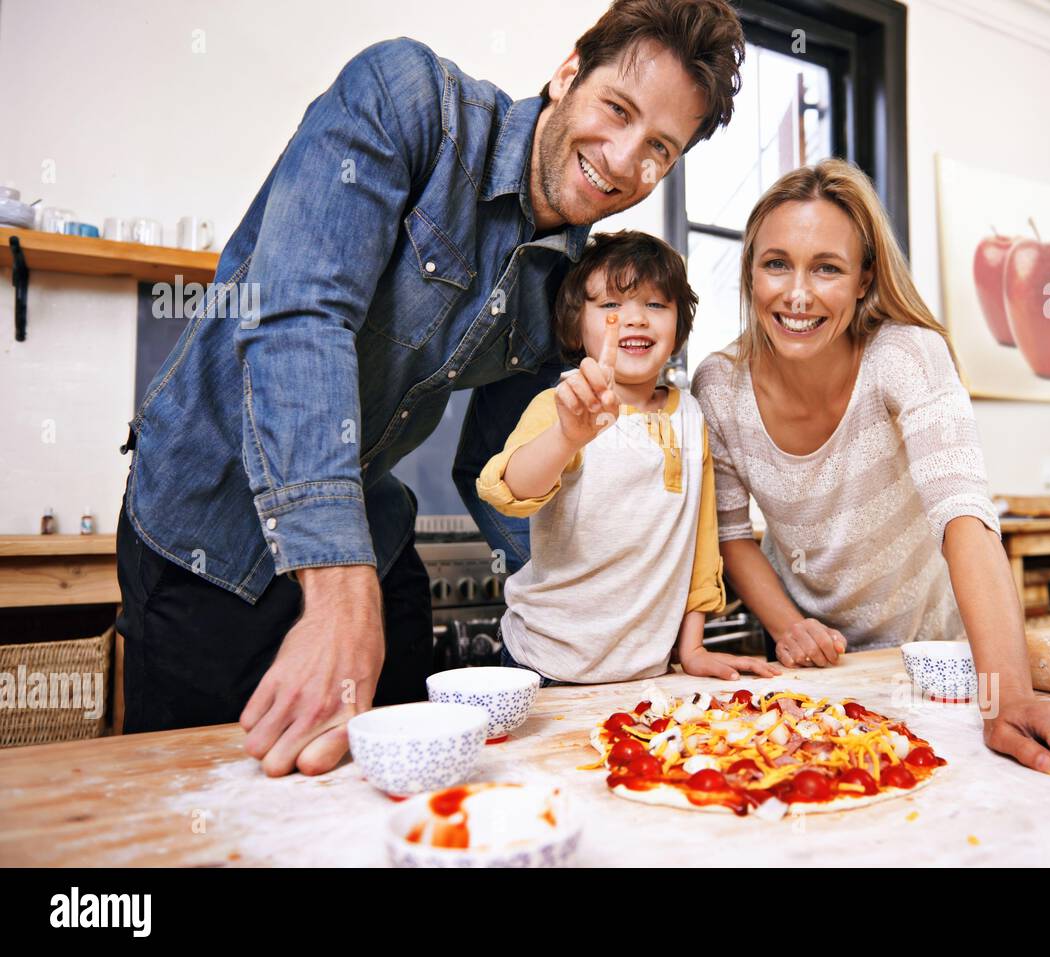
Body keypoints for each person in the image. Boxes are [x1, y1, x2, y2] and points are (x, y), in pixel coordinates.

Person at [114, 0, 745, 778]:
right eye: (616, 110)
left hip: (374, 537)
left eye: (658, 148)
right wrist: (340, 596)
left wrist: (583, 610)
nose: (621, 160)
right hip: (207, 528)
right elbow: (296, 318)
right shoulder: (407, 100)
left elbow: (500, 461)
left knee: (401, 792)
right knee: (209, 797)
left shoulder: (569, 279)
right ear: (567, 72)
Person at [691, 159, 1050, 773]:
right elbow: (732, 535)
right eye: (776, 263)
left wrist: (1010, 697)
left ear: (865, 279)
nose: (796, 292)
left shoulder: (905, 356)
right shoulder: (719, 385)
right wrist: (789, 626)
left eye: (827, 268)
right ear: (751, 270)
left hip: (936, 658)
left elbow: (964, 517)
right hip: (814, 664)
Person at [477, 231, 779, 685]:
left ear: (678, 325)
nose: (635, 319)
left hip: (645, 673)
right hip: (545, 663)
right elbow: (510, 491)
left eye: (656, 305)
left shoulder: (691, 415)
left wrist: (692, 647)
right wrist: (568, 436)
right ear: (577, 325)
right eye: (612, 306)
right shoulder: (563, 404)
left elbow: (700, 541)